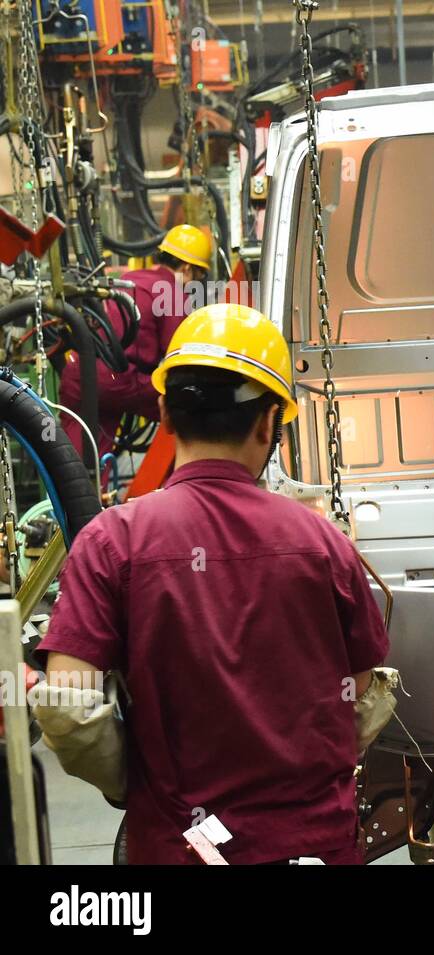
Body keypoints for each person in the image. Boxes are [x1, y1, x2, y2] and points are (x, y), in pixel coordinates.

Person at [33, 303, 395, 865]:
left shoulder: (112, 542)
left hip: (180, 851)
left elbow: (69, 712)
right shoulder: (324, 543)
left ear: (165, 413)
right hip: (315, 846)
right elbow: (365, 693)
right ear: (269, 420)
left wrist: (139, 787)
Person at [60, 223, 212, 460]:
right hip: (120, 380)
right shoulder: (171, 291)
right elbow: (179, 354)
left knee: (76, 467)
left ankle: (89, 496)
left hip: (81, 375)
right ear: (187, 267)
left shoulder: (130, 277)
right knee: (186, 406)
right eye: (198, 276)